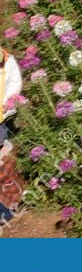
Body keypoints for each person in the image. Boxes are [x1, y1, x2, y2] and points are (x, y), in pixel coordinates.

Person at [0, 44, 21, 226]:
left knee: (3, 167)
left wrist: (5, 105)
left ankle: (7, 208)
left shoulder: (6, 60)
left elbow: (14, 84)